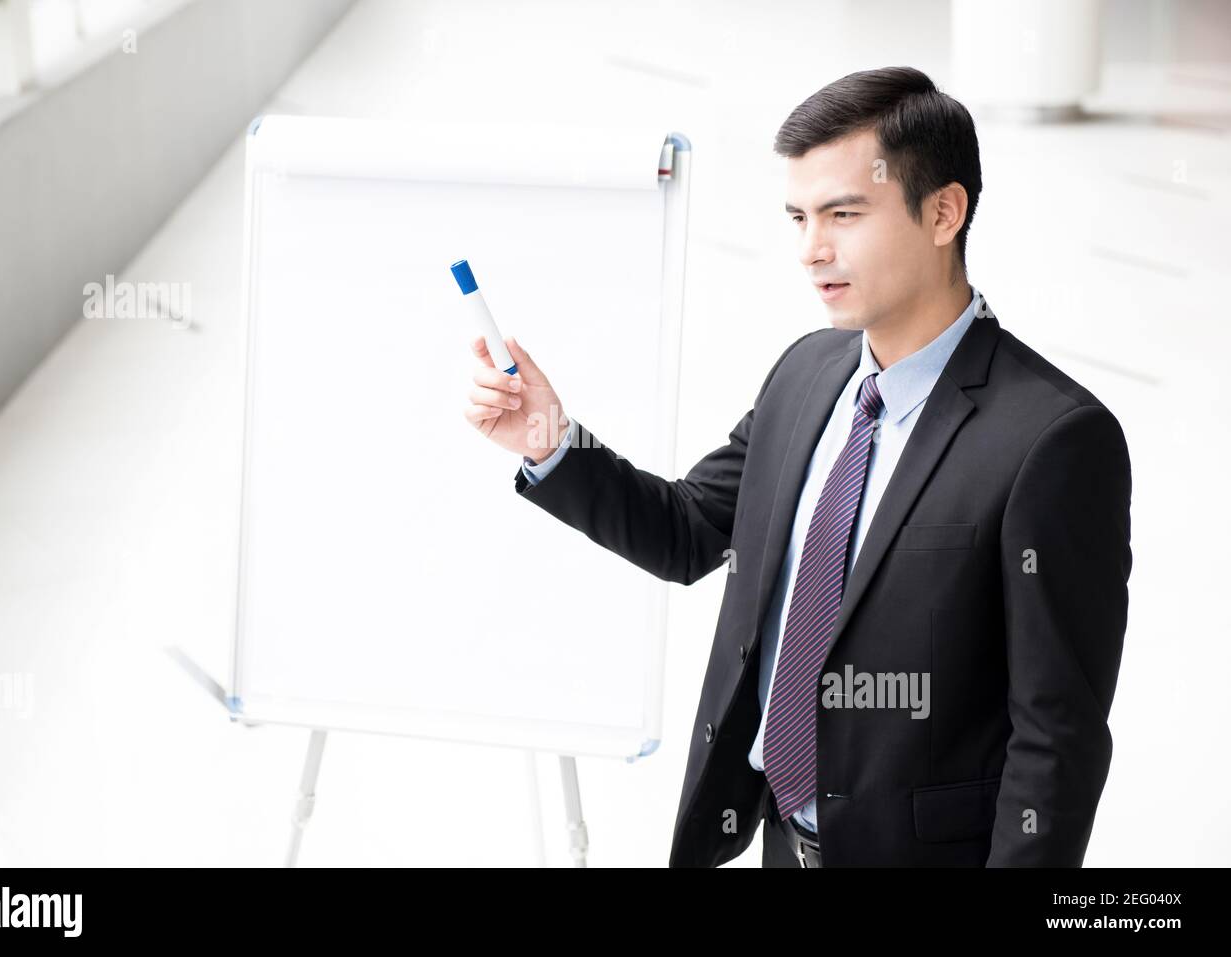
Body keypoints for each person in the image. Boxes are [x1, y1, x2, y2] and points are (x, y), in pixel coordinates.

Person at [463, 66, 1132, 867]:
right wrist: (547, 438)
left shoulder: (1052, 439)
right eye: (799, 217)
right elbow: (686, 532)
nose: (813, 250)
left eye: (844, 214)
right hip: (780, 845)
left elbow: (1055, 743)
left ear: (943, 211)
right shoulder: (807, 375)